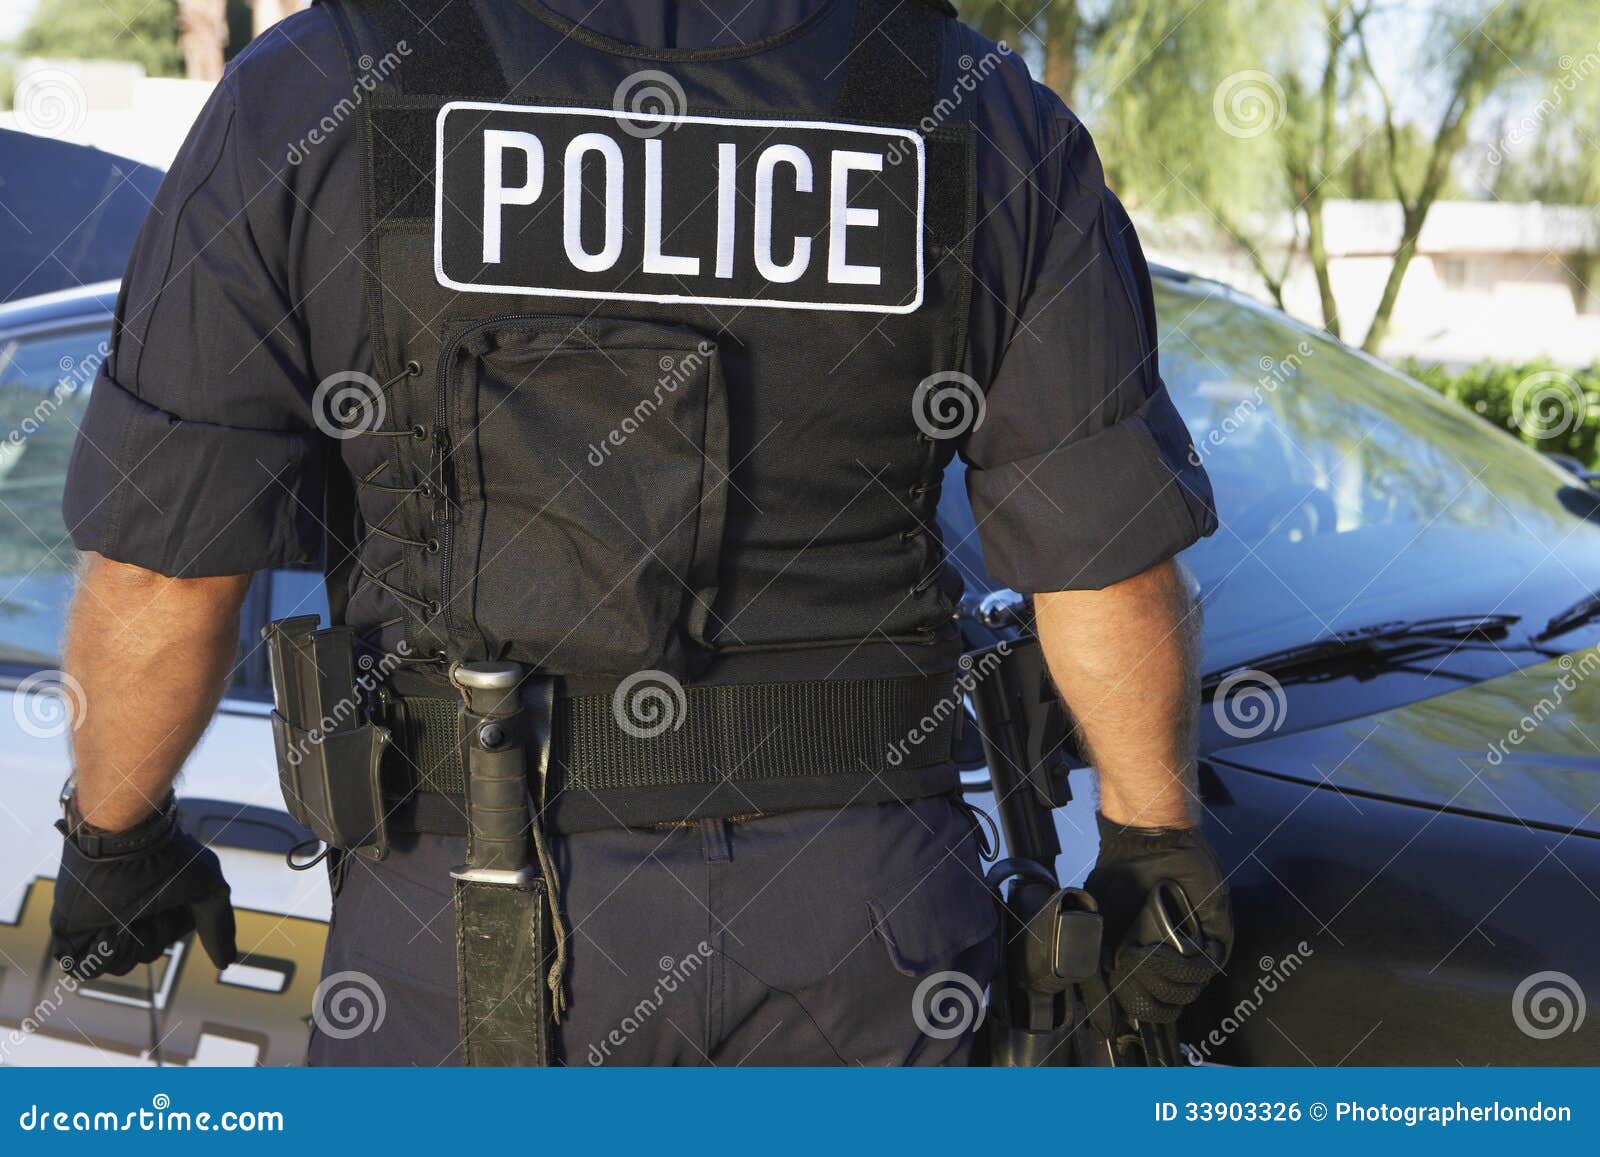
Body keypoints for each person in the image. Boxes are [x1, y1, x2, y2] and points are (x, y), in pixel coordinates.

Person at [50, 0, 1230, 1066]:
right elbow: (1106, 560)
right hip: (869, 924)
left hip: (472, 919)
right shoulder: (960, 102)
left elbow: (167, 571)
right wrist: (1153, 854)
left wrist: (116, 837)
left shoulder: (324, 86)